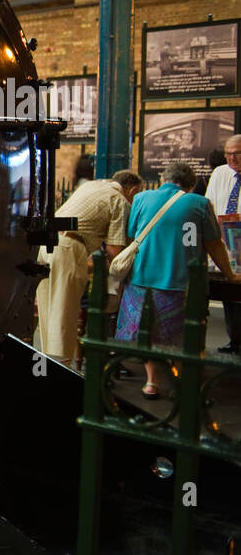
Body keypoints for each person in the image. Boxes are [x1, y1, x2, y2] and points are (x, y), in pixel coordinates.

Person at [116, 160, 238, 398]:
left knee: (147, 331)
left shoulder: (141, 199)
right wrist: (230, 274)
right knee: (183, 334)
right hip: (182, 282)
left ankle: (151, 382)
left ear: (164, 179)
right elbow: (214, 244)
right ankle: (182, 380)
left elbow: (132, 235)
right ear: (190, 184)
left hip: (142, 279)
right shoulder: (200, 203)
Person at [35, 169, 142, 368]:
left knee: (48, 315)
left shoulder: (92, 186)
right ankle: (60, 373)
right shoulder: (119, 200)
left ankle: (43, 370)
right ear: (132, 190)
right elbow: (114, 250)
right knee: (63, 316)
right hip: (69, 247)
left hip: (46, 243)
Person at [205, 134, 241, 351]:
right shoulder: (220, 173)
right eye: (228, 153)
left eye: (237, 153)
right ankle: (235, 340)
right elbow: (209, 206)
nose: (231, 159)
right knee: (229, 293)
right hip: (225, 242)